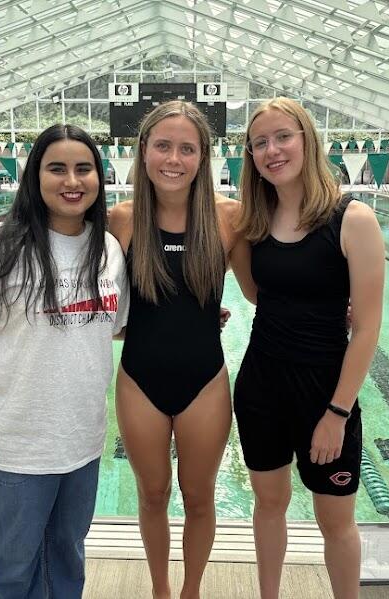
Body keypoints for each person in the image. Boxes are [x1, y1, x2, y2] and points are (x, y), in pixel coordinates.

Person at [0, 123, 129, 599]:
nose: (72, 181)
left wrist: (192, 317)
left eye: (83, 169)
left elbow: (114, 325)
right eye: (58, 169)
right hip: (17, 441)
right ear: (35, 176)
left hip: (83, 438)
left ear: (98, 177)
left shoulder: (106, 249)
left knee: (68, 553)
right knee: (14, 563)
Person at [233, 97, 385, 599]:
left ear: (307, 140)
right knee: (268, 503)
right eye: (260, 143)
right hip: (260, 387)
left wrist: (337, 412)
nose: (272, 150)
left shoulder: (352, 218)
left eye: (283, 137)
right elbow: (259, 294)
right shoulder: (256, 219)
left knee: (335, 518)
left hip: (324, 392)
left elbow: (365, 329)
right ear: (250, 155)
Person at [109, 100, 253, 599]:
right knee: (152, 496)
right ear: (143, 151)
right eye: (163, 145)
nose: (174, 158)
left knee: (199, 498)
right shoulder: (120, 221)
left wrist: (333, 300)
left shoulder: (229, 218)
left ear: (203, 157)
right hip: (139, 381)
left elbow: (262, 290)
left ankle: (191, 590)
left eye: (187, 148)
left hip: (205, 382)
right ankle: (161, 591)